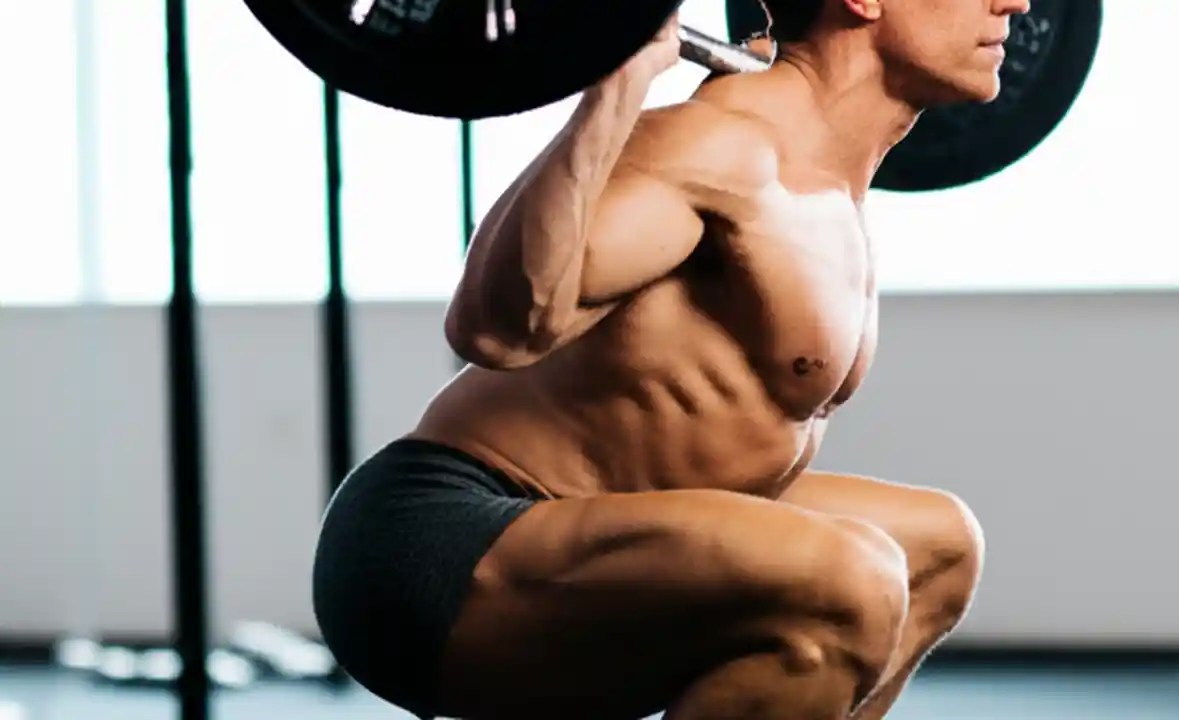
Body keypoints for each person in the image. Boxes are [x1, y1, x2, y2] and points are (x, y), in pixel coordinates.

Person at [313, 1, 1028, 718]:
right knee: (849, 582)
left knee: (936, 546)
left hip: (608, 528)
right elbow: (496, 330)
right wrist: (615, 85)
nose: (1018, 4)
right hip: (444, 542)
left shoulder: (825, 162)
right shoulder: (722, 148)